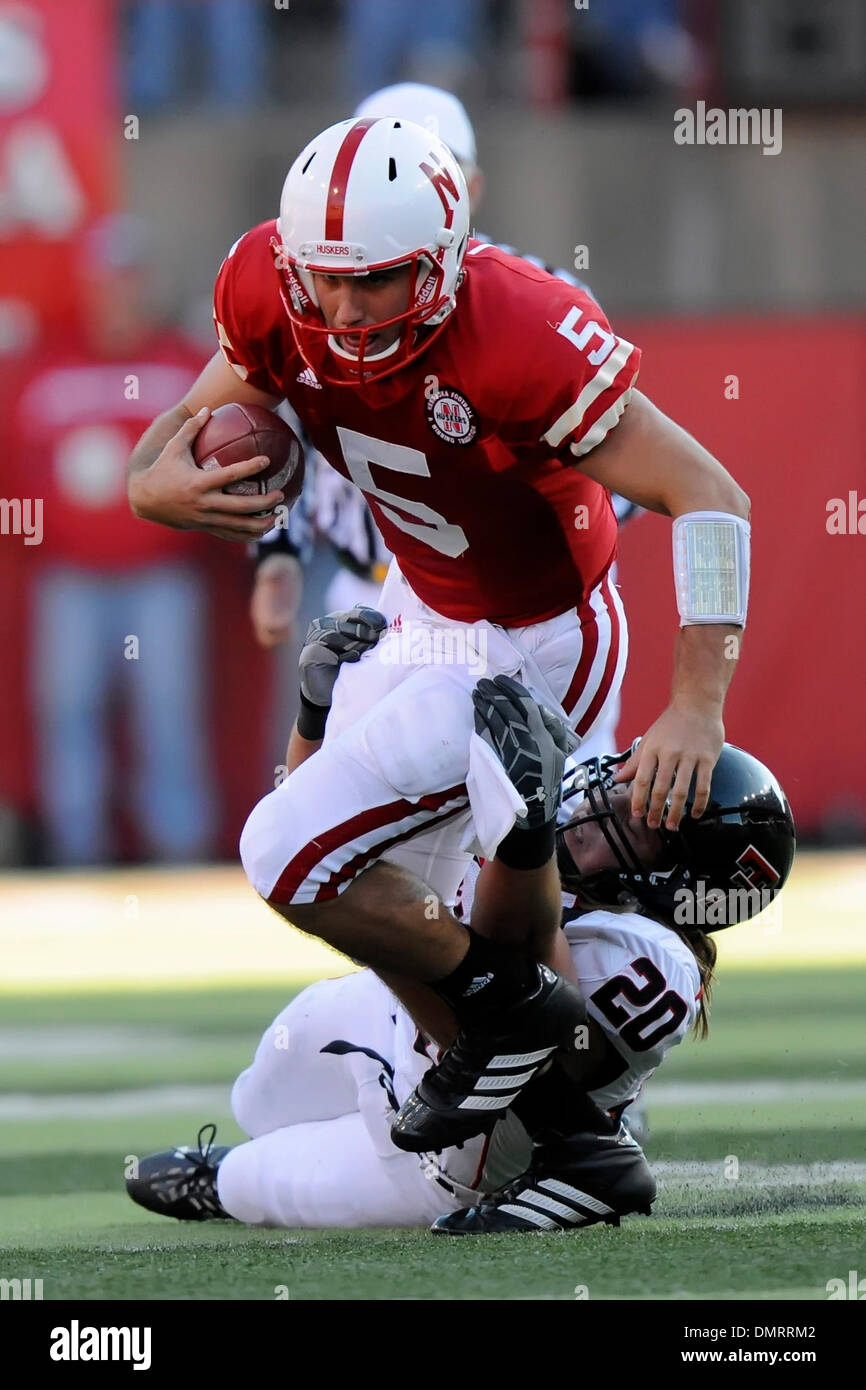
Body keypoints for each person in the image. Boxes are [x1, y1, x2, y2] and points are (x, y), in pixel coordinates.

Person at [126, 114, 751, 1154]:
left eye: (373, 280)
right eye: (322, 278)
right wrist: (157, 483)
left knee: (331, 857)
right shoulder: (264, 285)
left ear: (443, 259)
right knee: (363, 877)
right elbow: (174, 435)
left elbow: (709, 493)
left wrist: (696, 702)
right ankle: (547, 1100)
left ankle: (543, 1066)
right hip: (422, 605)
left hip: (539, 633)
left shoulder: (517, 328)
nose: (342, 308)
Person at [125, 657, 795, 1233]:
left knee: (227, 1181)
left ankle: (228, 1184)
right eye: (635, 778)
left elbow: (536, 1015)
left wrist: (524, 833)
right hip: (389, 1016)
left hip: (442, 1154)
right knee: (254, 1100)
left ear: (674, 882)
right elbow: (329, 852)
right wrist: (316, 714)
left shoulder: (654, 962)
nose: (608, 799)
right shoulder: (555, 799)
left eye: (646, 821)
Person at [14, 213, 216, 865]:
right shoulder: (46, 368)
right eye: (107, 281)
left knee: (170, 717)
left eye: (129, 281)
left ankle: (181, 861)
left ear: (145, 285)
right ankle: (79, 861)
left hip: (161, 576)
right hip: (70, 579)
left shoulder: (180, 366)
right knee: (68, 717)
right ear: (89, 285)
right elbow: (16, 475)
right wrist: (55, 524)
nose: (119, 295)